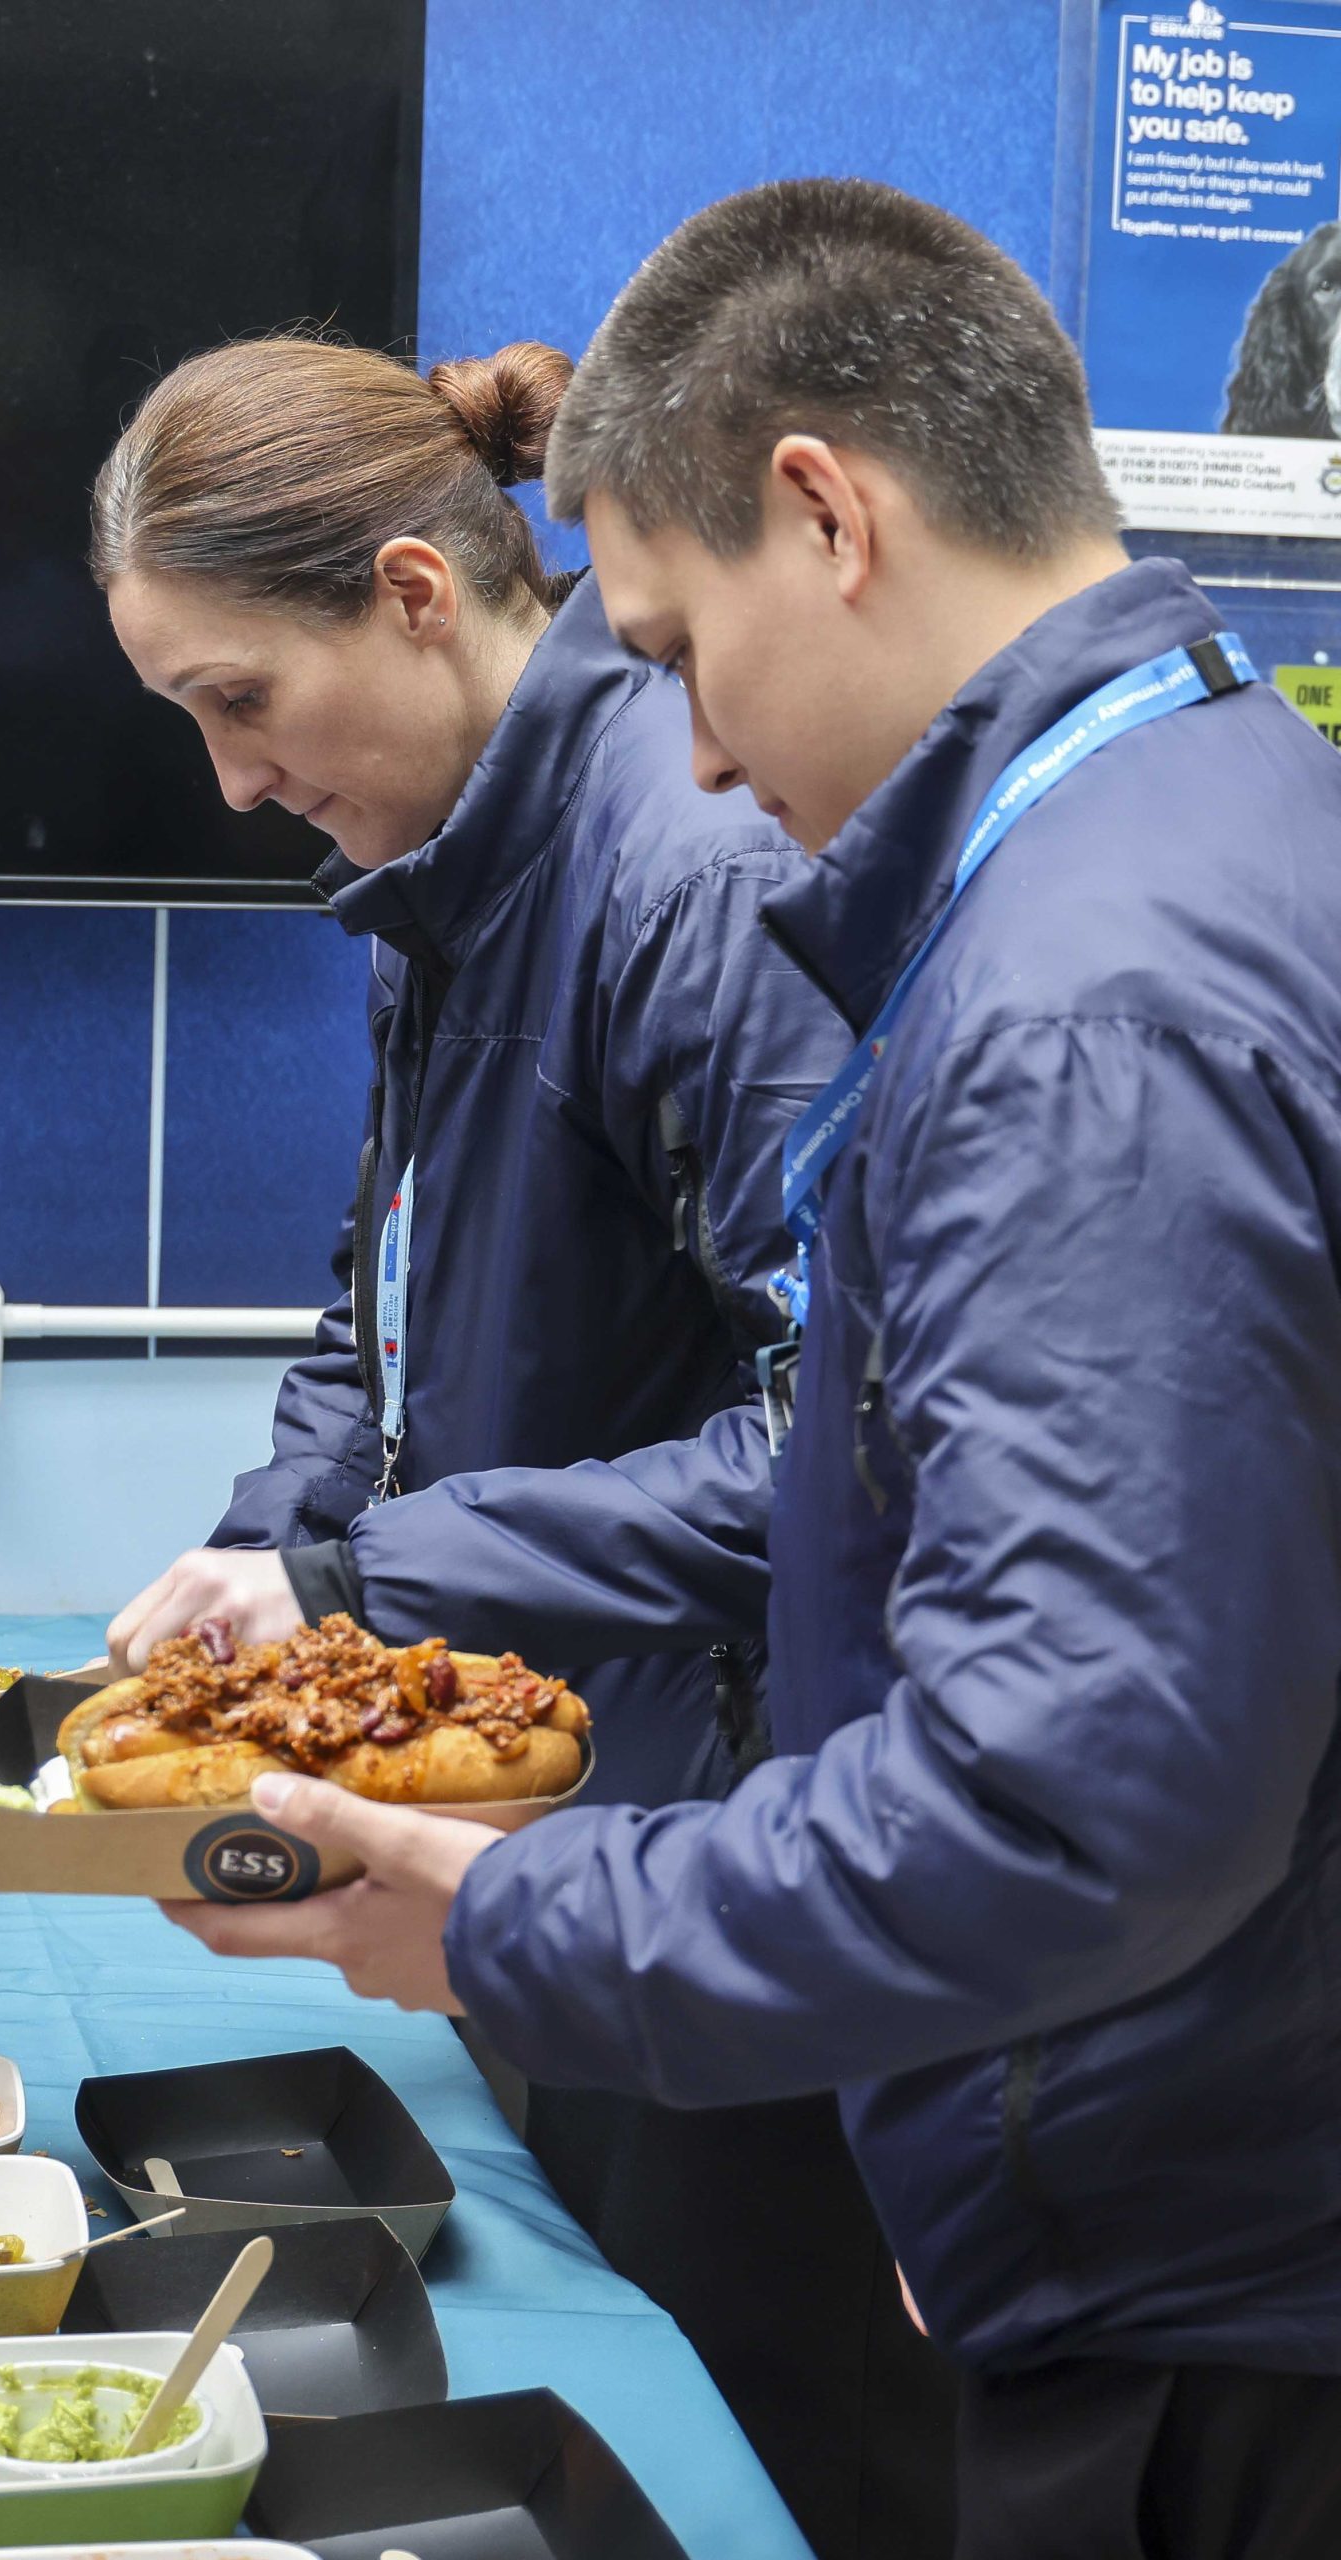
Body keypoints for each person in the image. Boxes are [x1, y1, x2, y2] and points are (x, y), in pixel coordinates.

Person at [168, 182, 1341, 2559]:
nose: (688, 758)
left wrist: (506, 1919)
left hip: (1210, 2275)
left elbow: (1070, 1799)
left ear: (825, 513)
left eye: (682, 652)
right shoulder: (1210, 813)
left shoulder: (1085, 1003)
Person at [91, 334, 954, 2558]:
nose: (225, 780)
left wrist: (375, 1579)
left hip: (737, 1860)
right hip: (566, 1820)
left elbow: (839, 1445)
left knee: (770, 2463)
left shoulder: (680, 881)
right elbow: (369, 1308)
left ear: (407, 587)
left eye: (237, 701)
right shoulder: (451, 868)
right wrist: (259, 1552)